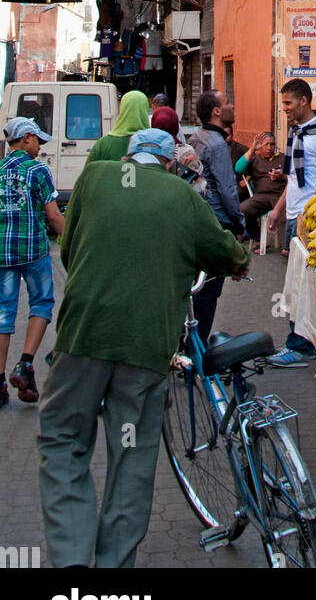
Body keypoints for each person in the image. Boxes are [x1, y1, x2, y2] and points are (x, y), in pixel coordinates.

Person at [37, 128, 249, 569]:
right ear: (170, 163)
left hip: (83, 336)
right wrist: (241, 262)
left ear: (129, 156)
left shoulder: (94, 177)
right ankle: (114, 563)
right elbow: (223, 252)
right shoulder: (183, 197)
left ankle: (73, 560)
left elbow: (69, 249)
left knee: (64, 440)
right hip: (147, 346)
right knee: (131, 455)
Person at [267, 80, 316, 367]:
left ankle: (300, 346)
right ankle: (303, 343)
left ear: (304, 102)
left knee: (306, 285)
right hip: (295, 219)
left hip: (310, 221)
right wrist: (277, 211)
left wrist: (310, 217)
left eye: (288, 103)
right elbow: (294, 181)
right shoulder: (297, 134)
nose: (284, 108)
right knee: (296, 284)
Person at [0, 119, 65, 407]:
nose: (40, 147)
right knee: (41, 303)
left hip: (2, 253)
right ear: (26, 138)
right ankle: (25, 364)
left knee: (3, 313)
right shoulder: (37, 170)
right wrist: (72, 241)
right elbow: (53, 216)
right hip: (34, 251)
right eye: (37, 140)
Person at [187, 91, 246, 344]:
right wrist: (239, 224)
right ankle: (197, 349)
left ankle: (184, 345)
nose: (232, 106)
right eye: (227, 103)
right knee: (209, 291)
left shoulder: (196, 138)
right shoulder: (217, 145)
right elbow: (228, 189)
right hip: (215, 224)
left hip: (192, 220)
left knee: (191, 289)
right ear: (216, 112)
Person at [236, 131, 287, 247]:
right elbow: (238, 169)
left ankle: (287, 245)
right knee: (242, 210)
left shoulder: (283, 158)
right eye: (266, 144)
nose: (269, 148)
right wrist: (253, 149)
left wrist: (282, 176)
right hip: (261, 197)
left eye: (272, 144)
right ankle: (258, 238)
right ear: (260, 146)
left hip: (280, 196)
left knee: (289, 214)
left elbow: (294, 178)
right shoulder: (255, 160)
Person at [85, 89, 150, 164]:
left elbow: (88, 173)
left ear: (122, 109)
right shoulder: (154, 146)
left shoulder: (103, 144)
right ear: (145, 111)